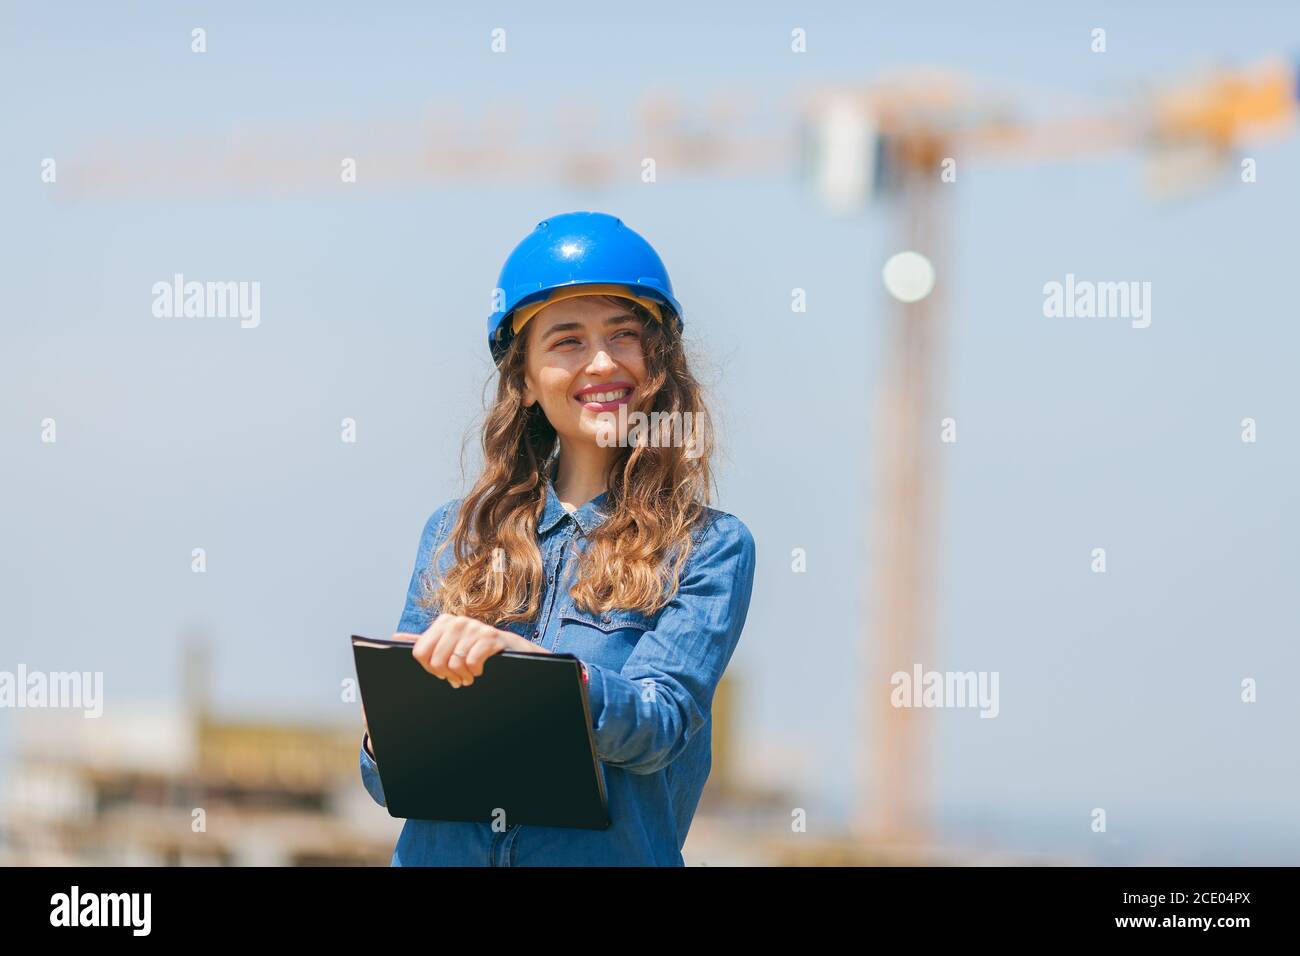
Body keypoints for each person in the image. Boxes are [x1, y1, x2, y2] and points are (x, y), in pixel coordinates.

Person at [359, 210, 756, 865]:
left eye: (624, 335)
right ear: (522, 377)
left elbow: (658, 725)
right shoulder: (455, 535)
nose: (601, 362)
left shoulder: (708, 548)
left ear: (660, 361)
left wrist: (533, 679)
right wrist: (388, 730)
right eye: (567, 340)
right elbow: (385, 783)